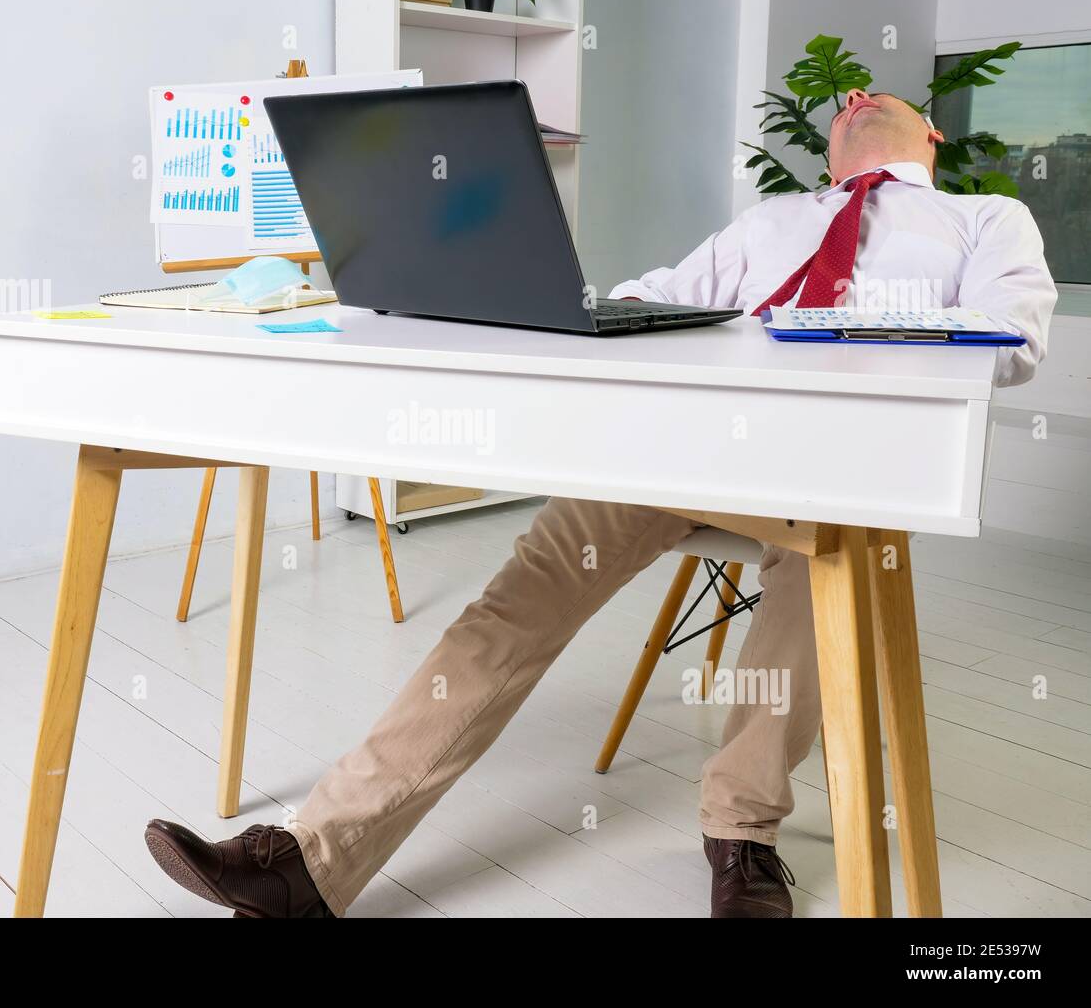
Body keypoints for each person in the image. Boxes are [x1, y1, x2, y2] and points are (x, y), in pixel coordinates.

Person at [142, 88, 1057, 918]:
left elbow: (1011, 340)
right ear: (826, 157)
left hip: (842, 462)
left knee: (821, 576)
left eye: (874, 92)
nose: (853, 97)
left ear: (931, 132)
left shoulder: (984, 218)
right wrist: (582, 308)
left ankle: (742, 836)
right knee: (524, 591)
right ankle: (313, 856)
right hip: (686, 448)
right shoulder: (771, 221)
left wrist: (828, 339)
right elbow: (652, 298)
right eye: (841, 102)